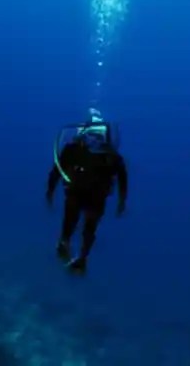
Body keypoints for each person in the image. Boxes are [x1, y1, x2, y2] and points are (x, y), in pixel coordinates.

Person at [46, 114, 128, 275]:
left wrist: (50, 191)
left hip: (84, 193)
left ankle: (71, 248)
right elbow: (122, 178)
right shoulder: (109, 155)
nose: (94, 141)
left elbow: (56, 171)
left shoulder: (75, 149)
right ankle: (76, 253)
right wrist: (122, 200)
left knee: (77, 221)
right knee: (84, 224)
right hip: (90, 194)